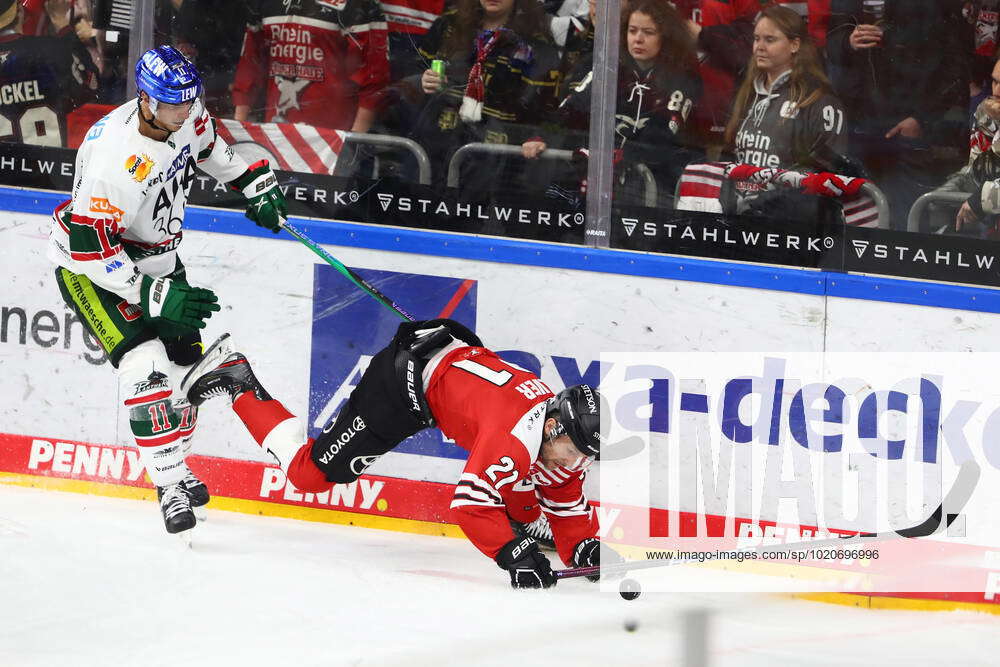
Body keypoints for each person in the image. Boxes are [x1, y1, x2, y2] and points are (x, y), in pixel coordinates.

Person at [47, 45, 289, 535]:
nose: (186, 110)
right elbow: (90, 248)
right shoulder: (113, 160)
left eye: (189, 100)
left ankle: (173, 464)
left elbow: (209, 147)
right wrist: (150, 293)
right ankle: (170, 482)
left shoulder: (185, 111)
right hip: (92, 269)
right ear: (146, 100)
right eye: (174, 104)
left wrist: (249, 182)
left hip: (157, 257)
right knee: (145, 364)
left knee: (185, 364)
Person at [180, 318, 618, 588]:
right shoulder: (515, 438)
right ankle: (237, 380)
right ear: (555, 425)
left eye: (584, 457)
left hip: (445, 359)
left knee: (529, 485)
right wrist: (511, 554)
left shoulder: (554, 432)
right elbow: (468, 504)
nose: (575, 464)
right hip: (402, 386)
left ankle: (526, 521)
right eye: (573, 451)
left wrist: (582, 547)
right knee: (310, 476)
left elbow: (563, 494)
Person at [523, 0, 703, 207]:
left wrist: (622, 155)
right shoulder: (609, 64)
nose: (638, 39)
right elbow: (572, 107)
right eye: (632, 30)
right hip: (600, 177)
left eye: (649, 32)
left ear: (666, 37)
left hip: (655, 185)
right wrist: (541, 136)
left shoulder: (682, 75)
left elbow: (663, 130)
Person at [826, 0, 970, 229]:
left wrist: (921, 119)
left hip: (905, 128)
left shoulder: (932, 8)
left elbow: (953, 65)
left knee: (906, 222)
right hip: (856, 127)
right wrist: (847, 42)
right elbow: (830, 45)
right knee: (856, 221)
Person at [410, 0, 561, 196]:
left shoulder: (535, 43)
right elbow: (409, 73)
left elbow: (548, 107)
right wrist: (422, 79)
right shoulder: (448, 26)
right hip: (435, 146)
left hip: (497, 160)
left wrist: (537, 138)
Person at [231, 0, 389, 132]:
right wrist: (238, 127)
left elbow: (374, 73)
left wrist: (356, 138)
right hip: (276, 134)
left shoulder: (356, 4)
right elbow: (250, 64)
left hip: (333, 139)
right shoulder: (264, 3)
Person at [0, 0, 98, 146]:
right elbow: (91, 84)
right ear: (19, 11)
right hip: (49, 164)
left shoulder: (47, 49)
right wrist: (61, 23)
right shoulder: (47, 50)